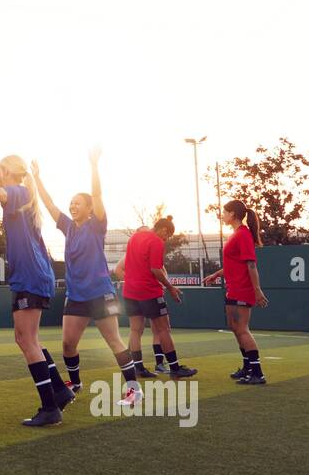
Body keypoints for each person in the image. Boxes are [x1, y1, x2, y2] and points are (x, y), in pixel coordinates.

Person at [35, 148, 142, 408]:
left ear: (89, 208)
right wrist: (37, 178)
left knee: (113, 340)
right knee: (68, 344)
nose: (72, 205)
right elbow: (49, 205)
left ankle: (134, 391)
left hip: (100, 294)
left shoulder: (97, 225)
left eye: (78, 203)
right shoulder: (68, 226)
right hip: (76, 295)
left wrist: (94, 165)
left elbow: (97, 194)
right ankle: (75, 383)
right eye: (71, 203)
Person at [0, 147, 75, 427]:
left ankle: (49, 408)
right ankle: (59, 391)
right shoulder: (21, 197)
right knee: (29, 339)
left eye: (0, 170)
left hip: (31, 276)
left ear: (8, 172)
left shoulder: (18, 192)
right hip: (34, 275)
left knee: (26, 340)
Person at [203, 200, 269, 385]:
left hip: (242, 290)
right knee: (235, 328)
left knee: (242, 329)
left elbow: (251, 265)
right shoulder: (236, 235)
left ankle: (257, 373)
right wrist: (216, 274)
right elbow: (234, 264)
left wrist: (257, 291)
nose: (222, 215)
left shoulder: (243, 234)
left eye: (224, 212)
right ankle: (248, 368)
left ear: (232, 214)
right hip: (233, 288)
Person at [121, 216, 196, 378]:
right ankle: (175, 369)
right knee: (164, 329)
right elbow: (156, 269)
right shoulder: (156, 241)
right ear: (163, 229)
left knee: (135, 330)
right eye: (167, 235)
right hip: (148, 291)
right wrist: (170, 287)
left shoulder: (133, 238)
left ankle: (138, 368)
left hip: (129, 291)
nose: (166, 239)